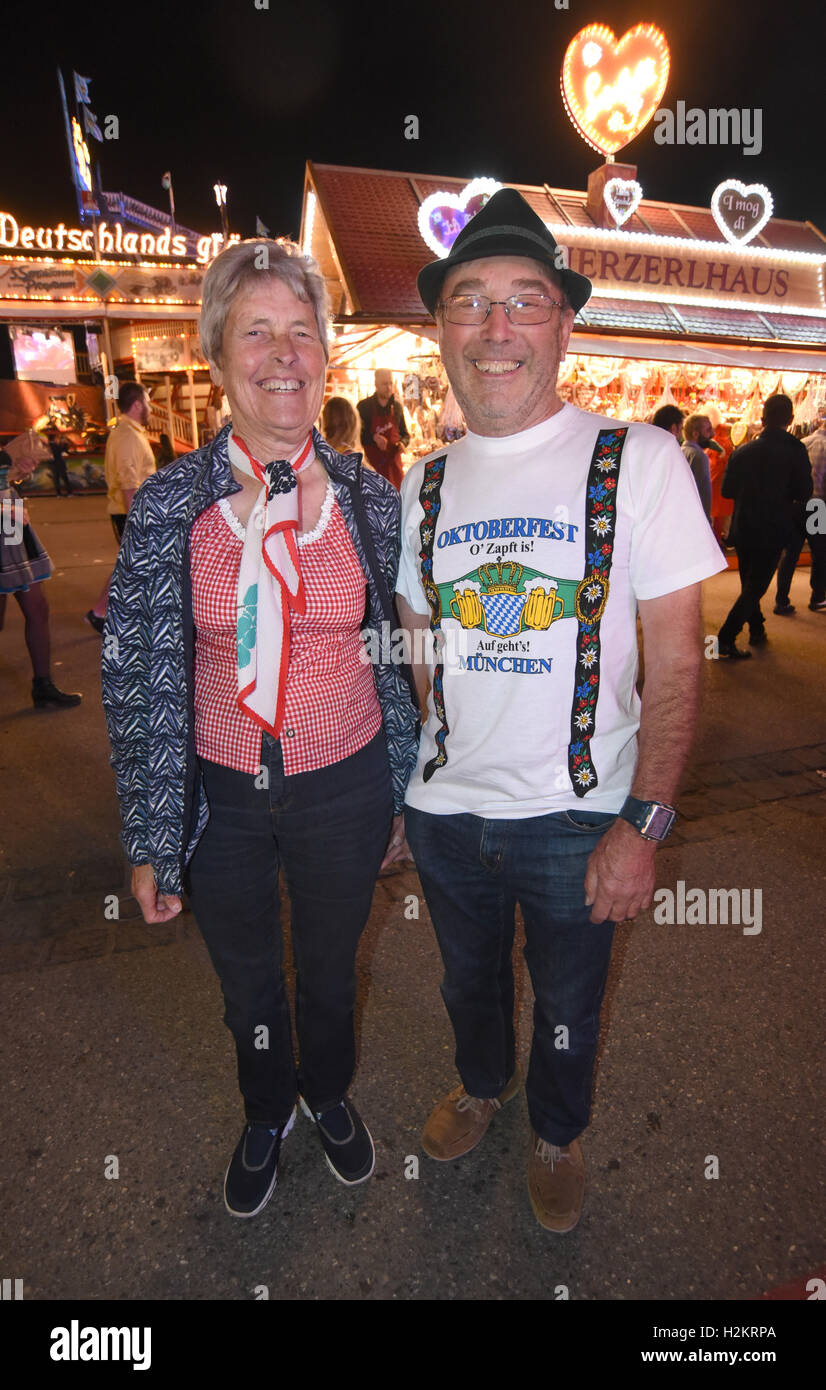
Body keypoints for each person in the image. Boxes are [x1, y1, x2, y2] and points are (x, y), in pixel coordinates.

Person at [394, 188, 726, 1233]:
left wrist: (645, 823)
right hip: (447, 818)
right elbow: (414, 631)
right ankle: (483, 1087)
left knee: (572, 1009)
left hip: (580, 815)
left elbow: (678, 664)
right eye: (469, 302)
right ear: (442, 330)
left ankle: (555, 1130)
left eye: (523, 301)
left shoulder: (641, 461)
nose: (495, 329)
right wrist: (438, 747)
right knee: (466, 986)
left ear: (562, 324)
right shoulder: (423, 480)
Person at [100, 238, 419, 1219]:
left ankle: (325, 1092)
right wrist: (153, 837)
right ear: (216, 355)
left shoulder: (371, 501)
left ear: (325, 354)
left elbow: (397, 656)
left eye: (301, 331)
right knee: (248, 987)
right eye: (256, 331)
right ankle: (265, 1106)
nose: (283, 352)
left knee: (330, 973)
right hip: (220, 796)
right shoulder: (166, 506)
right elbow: (137, 677)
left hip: (344, 784)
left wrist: (403, 793)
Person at [717, 394, 813, 657]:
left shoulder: (743, 451)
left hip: (744, 524)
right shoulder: (795, 449)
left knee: (750, 581)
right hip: (774, 526)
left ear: (762, 418)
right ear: (791, 420)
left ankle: (757, 628)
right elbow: (805, 491)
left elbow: (726, 490)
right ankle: (725, 637)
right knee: (756, 586)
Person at [0, 449, 82, 708]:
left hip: (11, 522)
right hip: (6, 514)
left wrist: (18, 473)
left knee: (37, 607)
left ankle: (43, 685)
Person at [84, 382, 156, 634]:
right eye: (147, 402)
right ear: (137, 405)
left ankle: (102, 612)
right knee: (132, 565)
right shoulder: (127, 436)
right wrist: (138, 520)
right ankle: (101, 612)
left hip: (131, 510)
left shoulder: (129, 432)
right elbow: (129, 482)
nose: (150, 408)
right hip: (130, 511)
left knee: (131, 564)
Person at [357, 369, 410, 490]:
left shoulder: (396, 407)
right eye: (384, 384)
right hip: (373, 470)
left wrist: (403, 443)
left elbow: (405, 434)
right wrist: (373, 438)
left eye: (390, 383)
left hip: (395, 468)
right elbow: (357, 436)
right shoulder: (364, 407)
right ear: (376, 384)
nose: (389, 387)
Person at [803, 415, 826, 611]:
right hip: (820, 504)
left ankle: (782, 598)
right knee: (820, 552)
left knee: (793, 551)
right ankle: (818, 595)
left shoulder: (805, 442)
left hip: (802, 502)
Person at [681, 414, 715, 522]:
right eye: (708, 430)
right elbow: (703, 493)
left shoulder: (680, 451)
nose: (712, 434)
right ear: (695, 434)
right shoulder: (699, 457)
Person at [47, 431, 73, 496]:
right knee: (64, 478)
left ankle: (59, 493)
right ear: (54, 438)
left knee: (56, 479)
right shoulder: (54, 445)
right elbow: (61, 450)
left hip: (53, 464)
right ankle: (69, 493)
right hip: (59, 464)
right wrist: (65, 444)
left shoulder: (47, 446)